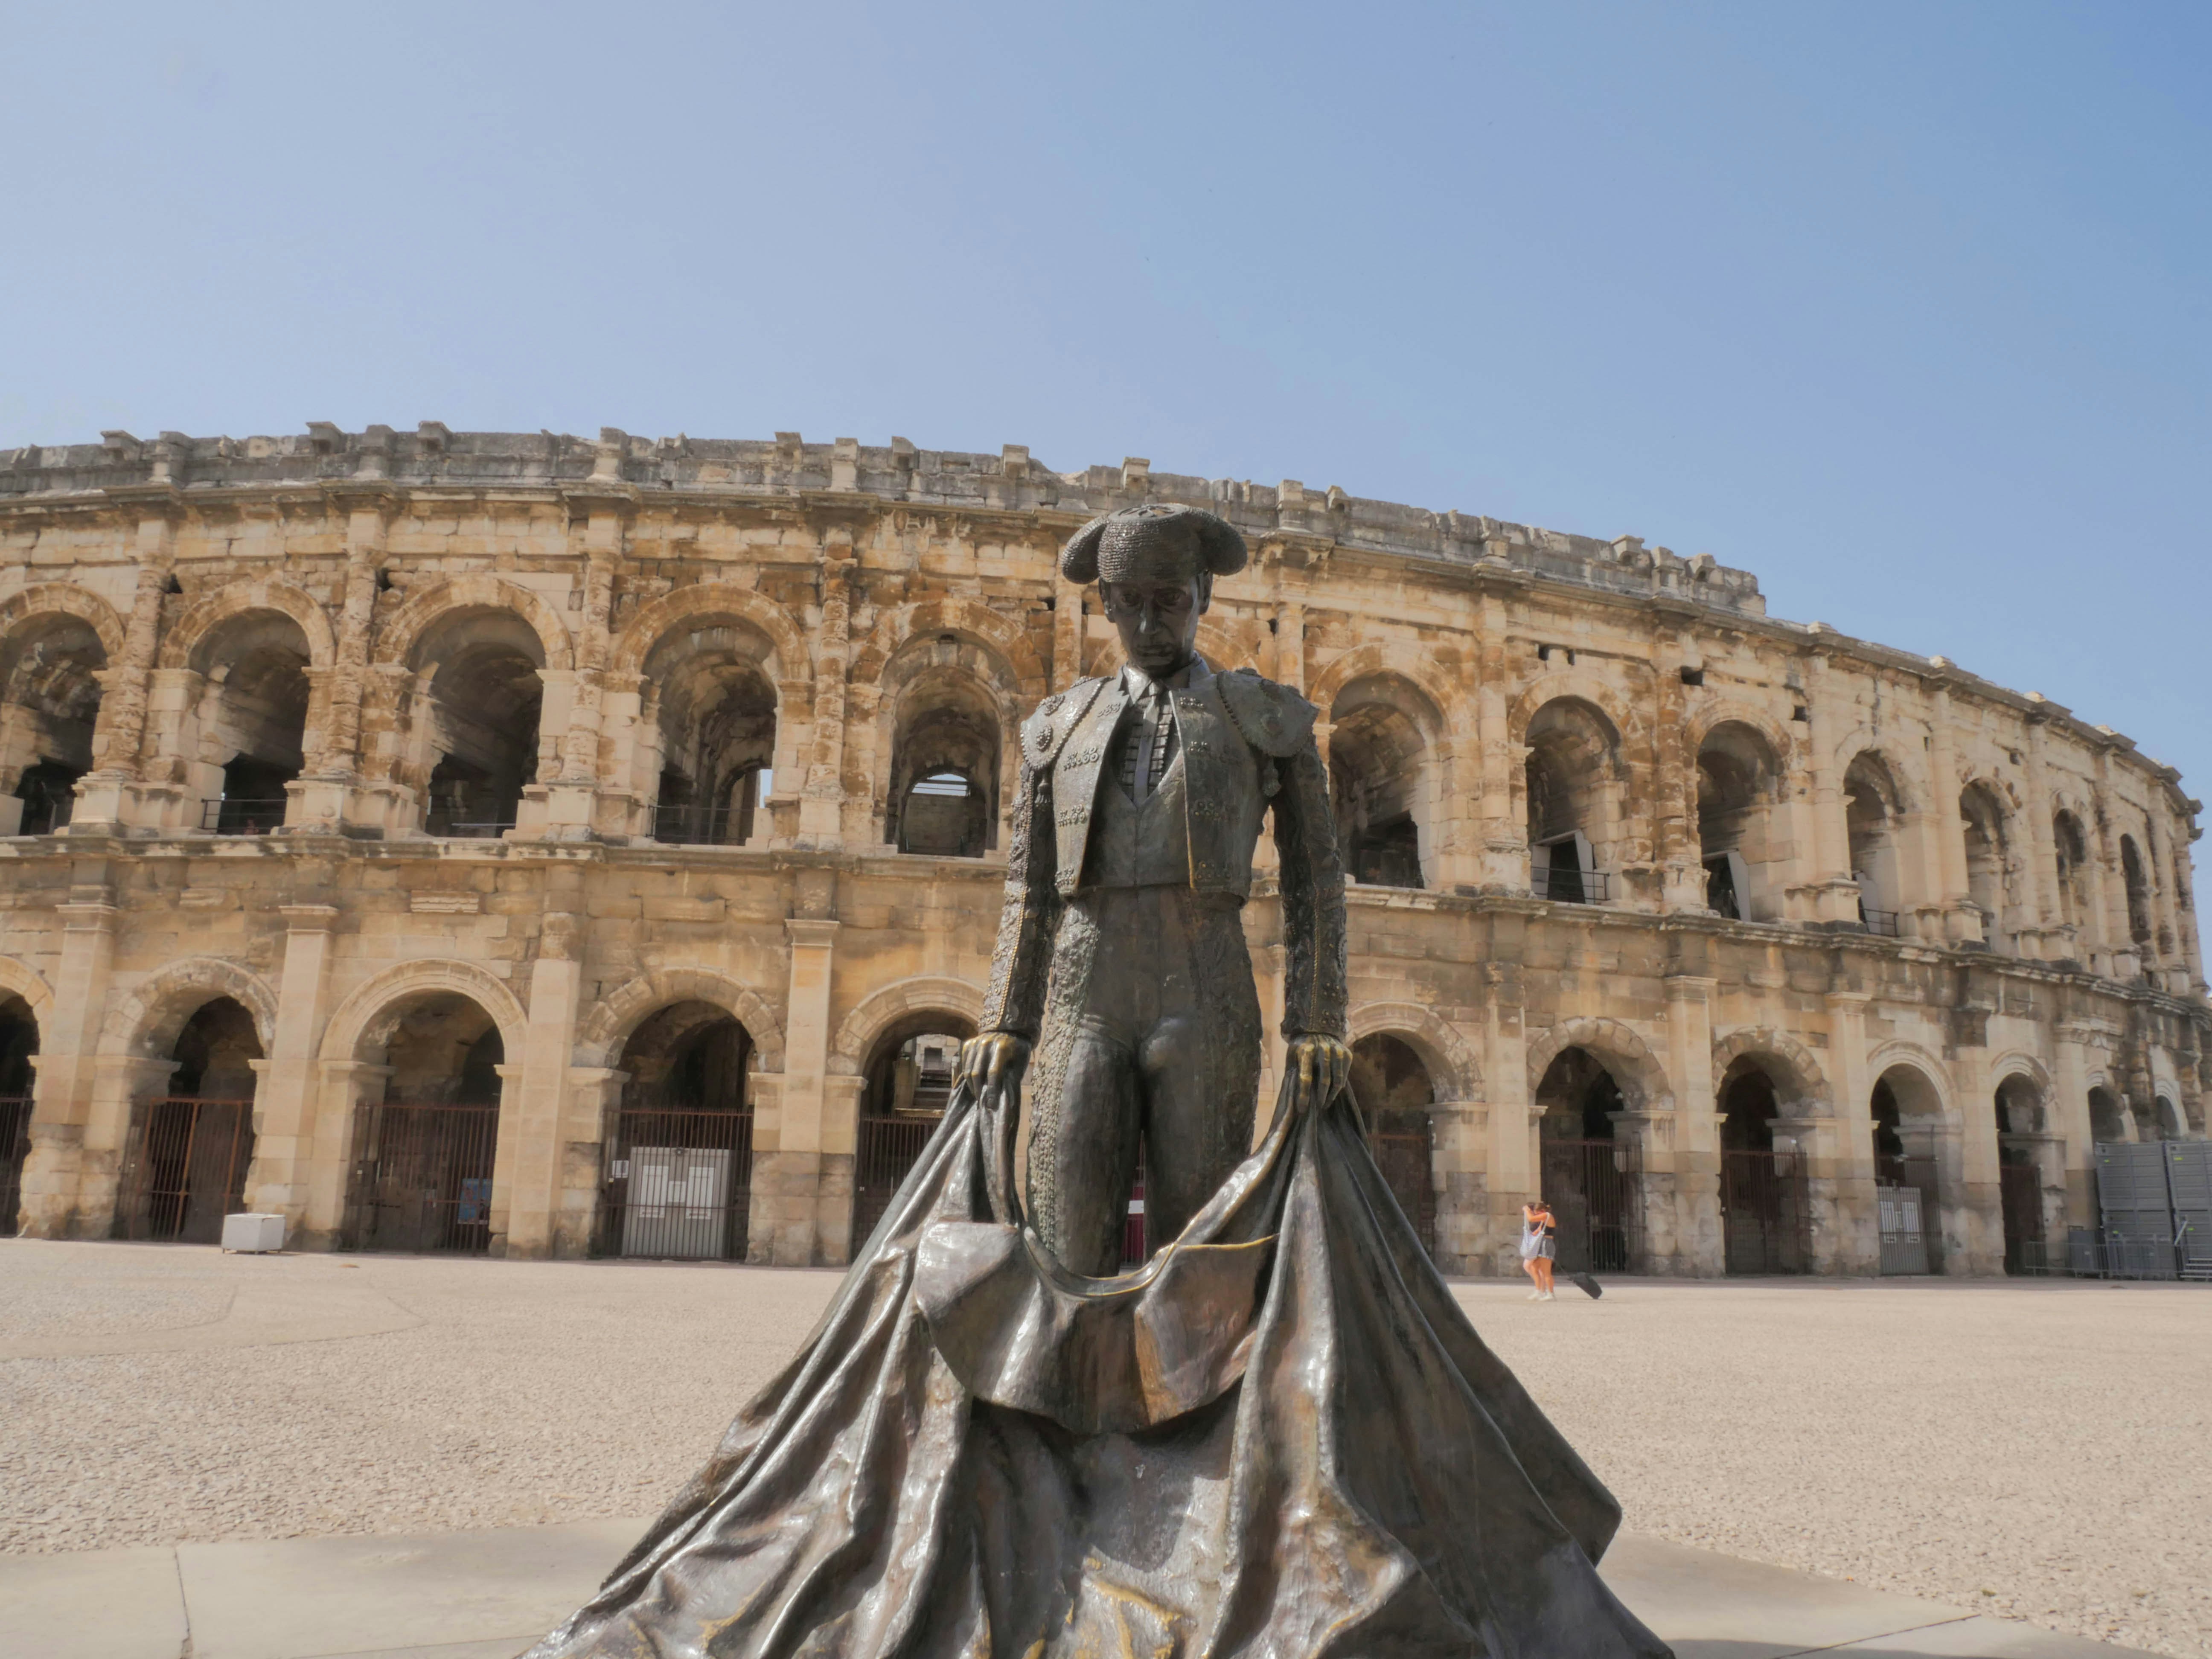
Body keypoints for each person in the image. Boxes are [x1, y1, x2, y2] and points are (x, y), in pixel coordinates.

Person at [958, 502, 1349, 1272]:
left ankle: (1196, 1395)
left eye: (1166, 598)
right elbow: (1028, 886)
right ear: (1103, 602)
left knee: (1198, 1242)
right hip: (1083, 986)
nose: (1147, 620)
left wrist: (1316, 1019)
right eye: (1127, 600)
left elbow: (1315, 877)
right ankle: (1068, 1390)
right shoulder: (1057, 723)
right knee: (1064, 1234)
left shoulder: (1265, 716)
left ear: (1202, 592)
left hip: (1204, 986)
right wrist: (1004, 1017)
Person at [1522, 1197, 1559, 1299]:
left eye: (1537, 1213)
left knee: (1546, 1271)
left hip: (1547, 1244)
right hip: (1540, 1243)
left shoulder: (1547, 1216)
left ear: (1542, 1211)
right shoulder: (1543, 1220)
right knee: (1534, 1268)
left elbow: (1531, 1219)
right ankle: (1539, 1291)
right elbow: (1537, 1232)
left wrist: (1527, 1211)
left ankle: (1551, 1294)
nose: (1536, 1215)